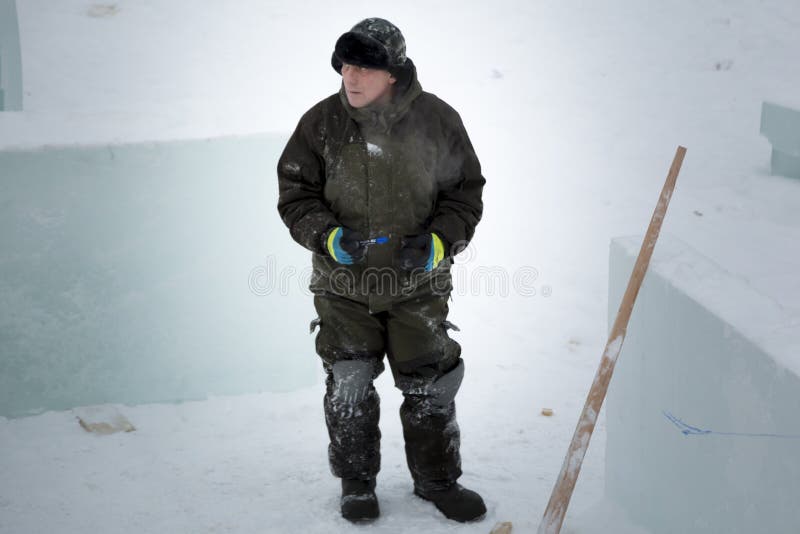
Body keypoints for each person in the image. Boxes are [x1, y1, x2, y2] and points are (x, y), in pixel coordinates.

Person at [277, 17, 486, 523]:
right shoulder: (320, 123)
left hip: (418, 286)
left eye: (365, 68)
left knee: (430, 383)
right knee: (348, 382)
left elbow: (465, 193)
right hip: (343, 286)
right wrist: (325, 236)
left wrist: (439, 243)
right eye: (346, 66)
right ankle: (356, 482)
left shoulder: (438, 120)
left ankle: (437, 479)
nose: (352, 78)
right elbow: (296, 193)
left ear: (392, 72)